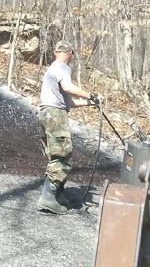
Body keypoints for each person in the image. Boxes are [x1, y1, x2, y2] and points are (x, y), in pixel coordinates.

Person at [37, 40, 102, 215]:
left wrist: (89, 102)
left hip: (46, 114)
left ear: (54, 52)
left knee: (56, 156)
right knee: (62, 156)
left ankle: (58, 194)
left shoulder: (52, 69)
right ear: (70, 53)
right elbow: (68, 87)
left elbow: (69, 101)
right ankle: (48, 198)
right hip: (56, 116)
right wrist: (91, 94)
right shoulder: (62, 67)